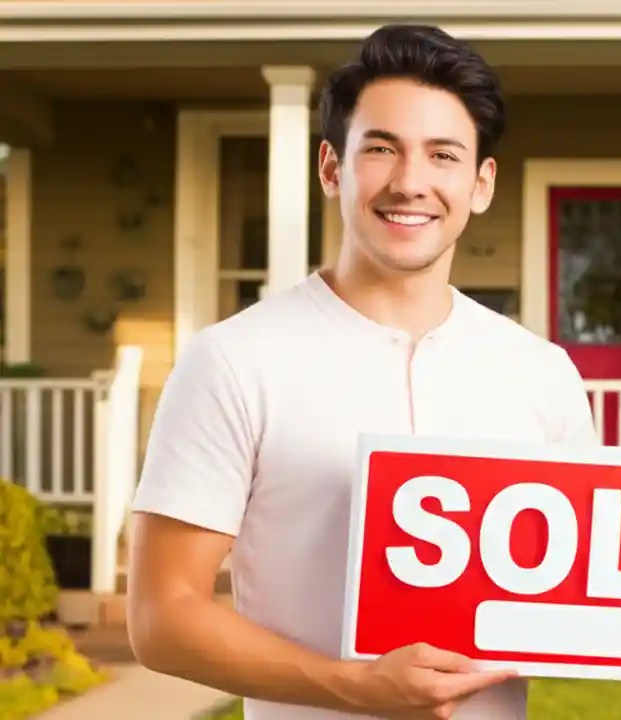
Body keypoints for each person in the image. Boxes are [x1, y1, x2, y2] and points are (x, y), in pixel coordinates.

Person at [126, 24, 596, 720]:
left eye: (443, 155)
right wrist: (358, 686)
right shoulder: (233, 359)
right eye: (381, 149)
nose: (411, 182)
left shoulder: (543, 373)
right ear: (331, 167)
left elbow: (584, 600)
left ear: (481, 183)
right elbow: (162, 614)